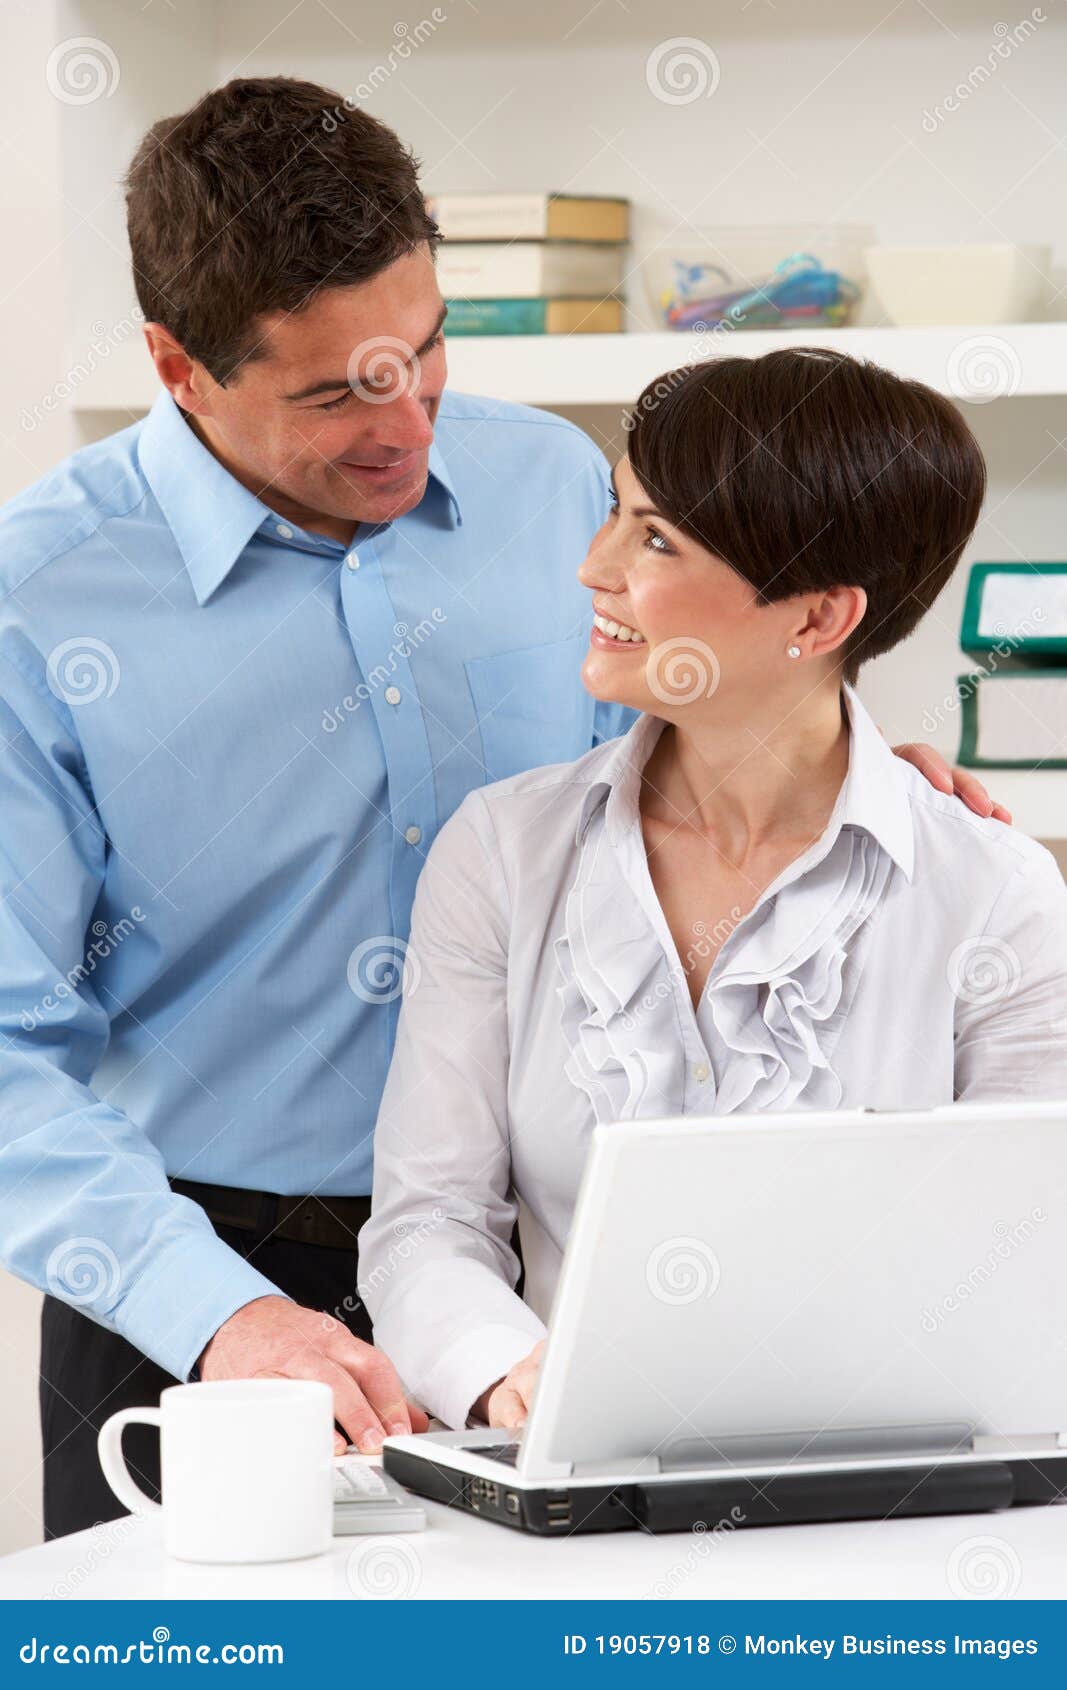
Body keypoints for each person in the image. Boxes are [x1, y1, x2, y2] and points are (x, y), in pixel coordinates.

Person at [0, 74, 991, 1537]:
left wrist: (842, 765)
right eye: (335, 390)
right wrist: (215, 1313)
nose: (402, 421)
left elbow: (662, 752)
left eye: (424, 348)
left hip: (538, 1273)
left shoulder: (543, 484)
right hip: (197, 1285)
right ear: (178, 365)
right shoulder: (41, 597)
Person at [359, 346, 1067, 1437]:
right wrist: (515, 1374)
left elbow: (1022, 1260)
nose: (593, 568)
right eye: (613, 513)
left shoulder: (991, 893)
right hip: (562, 1495)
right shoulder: (503, 851)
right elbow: (425, 1222)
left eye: (653, 538)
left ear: (818, 619)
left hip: (886, 1505)